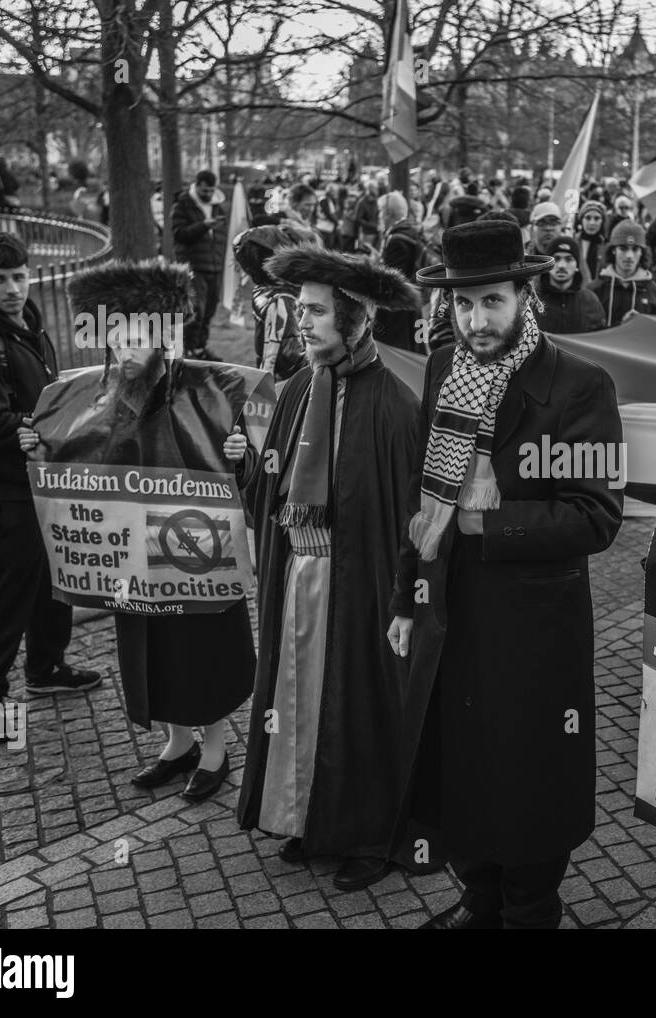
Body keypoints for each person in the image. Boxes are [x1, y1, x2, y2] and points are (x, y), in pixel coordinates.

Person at [392, 219, 625, 929]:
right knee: (462, 764)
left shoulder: (580, 384)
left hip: (533, 629)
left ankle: (529, 907)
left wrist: (487, 525)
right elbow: (421, 499)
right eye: (462, 305)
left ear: (524, 295)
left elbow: (597, 516)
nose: (475, 319)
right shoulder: (441, 368)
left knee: (527, 777)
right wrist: (406, 596)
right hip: (452, 614)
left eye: (491, 301)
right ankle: (478, 896)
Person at [28, 260, 256, 798]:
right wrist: (33, 445)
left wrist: (242, 454)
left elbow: (249, 466)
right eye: (116, 337)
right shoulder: (93, 394)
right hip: (131, 555)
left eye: (137, 339)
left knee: (200, 645)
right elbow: (67, 453)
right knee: (151, 648)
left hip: (194, 548)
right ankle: (179, 743)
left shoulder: (213, 389)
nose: (126, 350)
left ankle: (216, 747)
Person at [236, 245, 423, 892]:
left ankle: (370, 835)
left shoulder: (397, 407)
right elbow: (272, 489)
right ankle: (308, 817)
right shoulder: (296, 390)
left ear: (356, 319)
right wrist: (244, 460)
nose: (301, 324)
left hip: (361, 589)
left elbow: (403, 521)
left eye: (315, 312)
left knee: (361, 705)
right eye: (301, 311)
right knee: (298, 702)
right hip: (299, 583)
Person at [0, 233, 100, 735]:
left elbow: (42, 394)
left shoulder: (26, 323)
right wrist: (59, 425)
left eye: (18, 277)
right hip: (7, 488)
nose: (12, 288)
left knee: (54, 580)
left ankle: (46, 669)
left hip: (46, 480)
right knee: (5, 594)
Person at [232, 221, 320, 380]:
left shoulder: (269, 289)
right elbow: (291, 359)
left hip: (275, 383)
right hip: (285, 387)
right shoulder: (282, 300)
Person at [171, 169, 227, 360]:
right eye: (204, 191)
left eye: (211, 191)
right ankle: (188, 350)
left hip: (214, 265)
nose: (208, 195)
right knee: (196, 310)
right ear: (196, 186)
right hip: (193, 266)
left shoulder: (218, 205)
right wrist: (204, 225)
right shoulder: (182, 205)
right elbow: (179, 234)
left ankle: (200, 349)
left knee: (210, 310)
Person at [588, 220, 656, 327]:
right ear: (613, 250)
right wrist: (621, 326)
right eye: (623, 248)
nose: (629, 255)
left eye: (635, 249)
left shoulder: (652, 289)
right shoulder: (595, 289)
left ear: (642, 252)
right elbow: (587, 331)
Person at [377, 191, 425, 352]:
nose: (379, 215)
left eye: (380, 211)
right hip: (412, 305)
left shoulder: (397, 239)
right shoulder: (409, 231)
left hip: (398, 311)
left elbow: (392, 281)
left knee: (397, 353)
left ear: (387, 213)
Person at [533, 235, 606, 333]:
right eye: (556, 259)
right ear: (548, 264)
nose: (562, 265)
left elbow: (599, 337)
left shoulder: (590, 300)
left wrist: (622, 324)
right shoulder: (533, 301)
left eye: (569, 259)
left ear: (577, 265)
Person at [575, 201, 609, 277]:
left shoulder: (606, 246)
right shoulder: (573, 242)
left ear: (602, 221)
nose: (592, 222)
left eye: (597, 218)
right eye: (588, 218)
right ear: (581, 220)